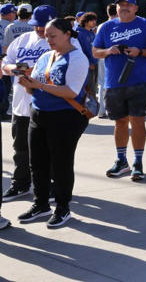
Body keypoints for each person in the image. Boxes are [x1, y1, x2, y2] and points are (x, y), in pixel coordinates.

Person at [17, 18, 90, 229]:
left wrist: (39, 84)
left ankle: (62, 207)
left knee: (61, 164)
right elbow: (36, 89)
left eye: (52, 36)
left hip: (65, 116)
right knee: (37, 162)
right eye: (46, 35)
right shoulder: (46, 56)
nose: (47, 39)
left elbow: (71, 91)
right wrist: (28, 84)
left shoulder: (77, 58)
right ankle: (40, 204)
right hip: (38, 113)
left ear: (67, 34)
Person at [92, 0, 146, 181]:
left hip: (140, 81)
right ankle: (121, 159)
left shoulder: (145, 25)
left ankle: (138, 161)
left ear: (135, 8)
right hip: (114, 83)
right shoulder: (106, 27)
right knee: (120, 122)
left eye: (128, 4)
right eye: (120, 4)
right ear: (116, 7)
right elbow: (95, 51)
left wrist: (140, 52)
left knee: (138, 121)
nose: (124, 7)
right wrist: (108, 51)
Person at [1, 5, 58, 202]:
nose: (41, 30)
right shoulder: (22, 40)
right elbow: (6, 63)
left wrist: (31, 71)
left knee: (48, 149)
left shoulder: (61, 42)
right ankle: (21, 184)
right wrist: (17, 69)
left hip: (47, 105)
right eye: (37, 26)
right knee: (20, 149)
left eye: (44, 26)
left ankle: (51, 185)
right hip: (20, 104)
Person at [95, 3, 118, 119]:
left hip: (102, 56)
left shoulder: (101, 26)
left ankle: (101, 110)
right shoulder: (119, 25)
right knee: (114, 84)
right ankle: (111, 110)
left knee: (101, 84)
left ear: (108, 12)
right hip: (115, 57)